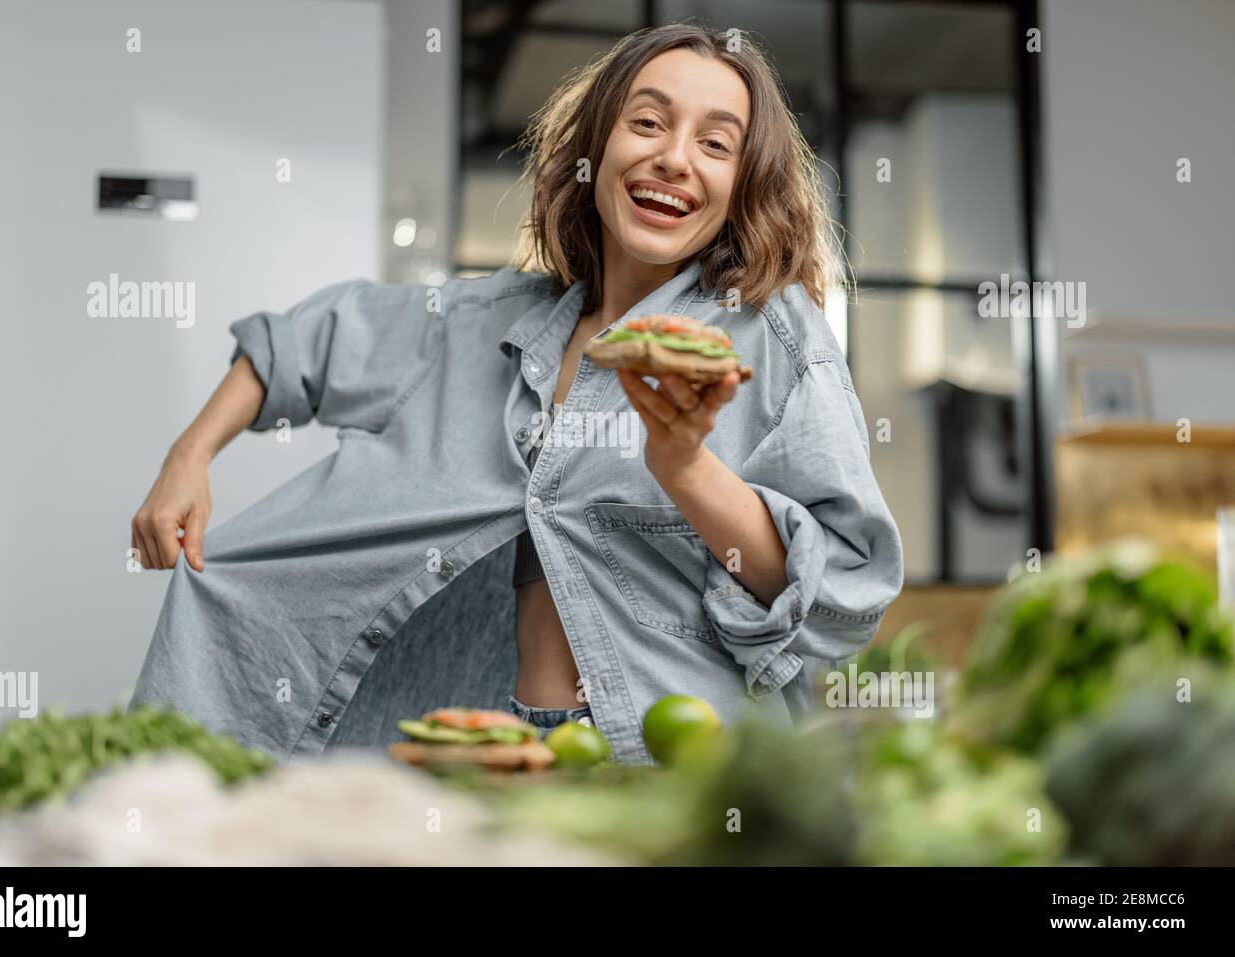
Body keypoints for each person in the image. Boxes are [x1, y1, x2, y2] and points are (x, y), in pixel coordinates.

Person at [127, 23, 904, 764]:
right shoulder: (484, 321)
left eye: (715, 143)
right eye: (647, 123)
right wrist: (188, 455)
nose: (673, 158)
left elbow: (842, 592)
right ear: (596, 150)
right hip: (503, 754)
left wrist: (685, 466)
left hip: (681, 769)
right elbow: (307, 341)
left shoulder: (774, 338)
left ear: (742, 186)